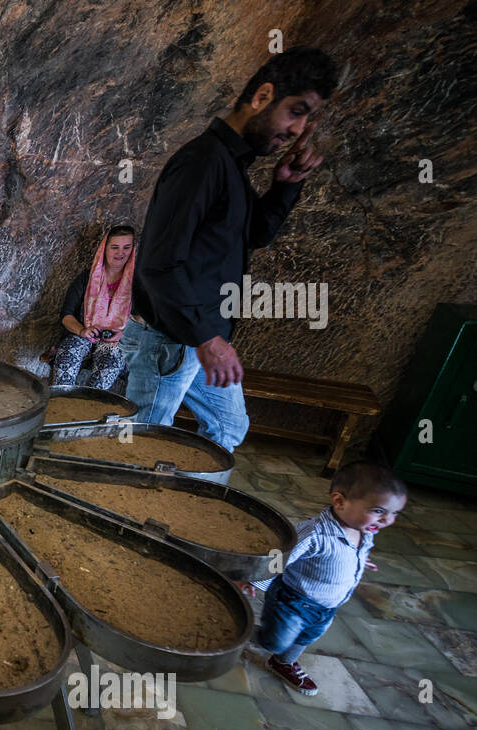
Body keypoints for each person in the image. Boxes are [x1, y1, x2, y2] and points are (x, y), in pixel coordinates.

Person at [124, 46, 338, 457]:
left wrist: (285, 185)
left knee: (228, 425)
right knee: (142, 443)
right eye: (296, 111)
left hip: (202, 336)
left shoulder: (232, 166)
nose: (299, 129)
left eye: (308, 118)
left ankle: (174, 499)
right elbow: (159, 264)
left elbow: (253, 235)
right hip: (171, 338)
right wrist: (209, 339)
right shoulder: (203, 162)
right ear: (262, 96)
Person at [247, 462, 407, 696]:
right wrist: (254, 580)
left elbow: (355, 551)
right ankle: (239, 632)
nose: (388, 521)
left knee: (306, 636)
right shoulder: (315, 533)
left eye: (395, 513)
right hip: (292, 601)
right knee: (274, 641)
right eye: (379, 511)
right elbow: (279, 555)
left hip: (327, 606)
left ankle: (282, 663)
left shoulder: (364, 530)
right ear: (339, 501)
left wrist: (360, 560)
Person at [51, 225, 139, 391]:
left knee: (109, 365)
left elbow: (143, 321)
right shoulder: (87, 278)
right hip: (84, 334)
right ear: (104, 248)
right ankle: (60, 402)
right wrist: (83, 331)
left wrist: (124, 335)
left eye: (126, 248)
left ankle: (90, 407)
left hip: (117, 342)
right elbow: (66, 315)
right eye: (115, 247)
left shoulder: (137, 285)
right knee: (68, 355)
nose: (120, 253)